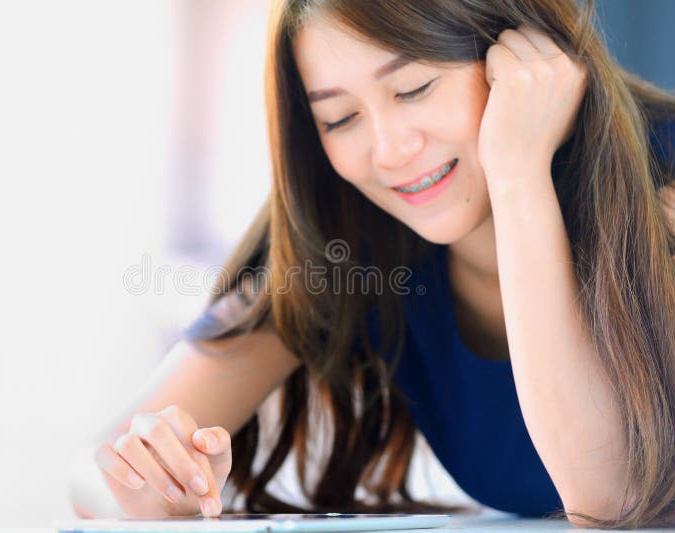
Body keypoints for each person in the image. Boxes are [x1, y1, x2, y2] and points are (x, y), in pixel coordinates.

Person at [68, 0, 675, 528]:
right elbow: (96, 471)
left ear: (525, 58)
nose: (389, 151)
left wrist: (518, 171)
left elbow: (610, 500)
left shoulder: (662, 190)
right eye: (340, 118)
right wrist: (151, 479)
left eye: (413, 88)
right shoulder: (351, 236)